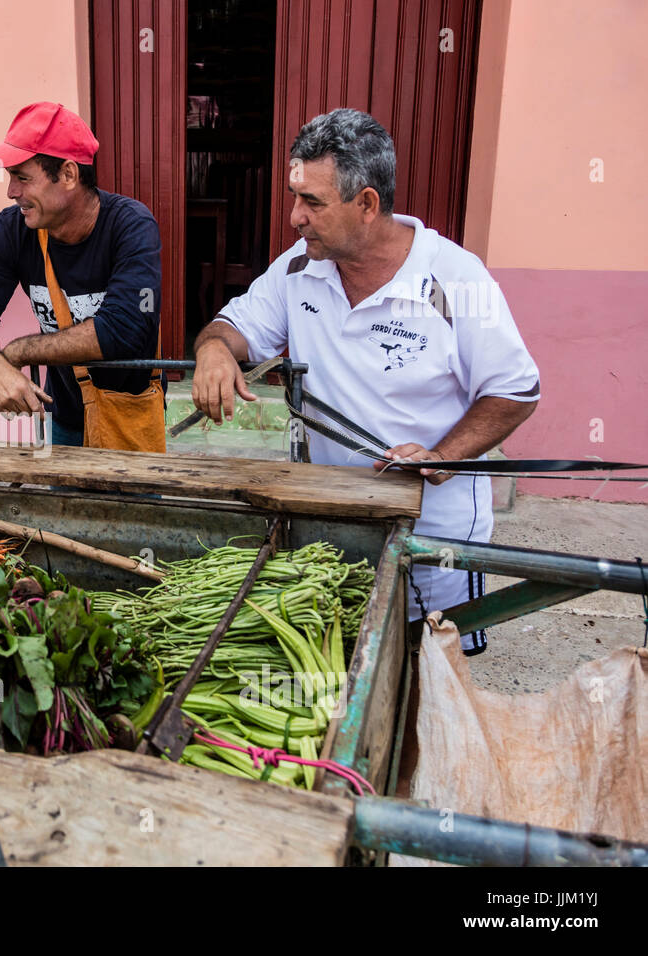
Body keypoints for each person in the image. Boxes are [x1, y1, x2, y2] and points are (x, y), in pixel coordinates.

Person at [192, 108, 541, 655]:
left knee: (430, 681)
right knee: (346, 676)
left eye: (312, 202)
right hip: (332, 527)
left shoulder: (454, 278)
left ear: (368, 204)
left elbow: (515, 390)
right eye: (294, 197)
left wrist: (442, 454)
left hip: (434, 535)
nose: (294, 217)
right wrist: (214, 349)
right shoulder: (298, 270)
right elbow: (235, 326)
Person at [0, 102, 166, 452]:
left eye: (22, 177)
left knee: (134, 507)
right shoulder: (11, 229)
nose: (11, 191)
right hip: (63, 415)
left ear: (67, 175)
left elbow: (127, 330)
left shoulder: (132, 225)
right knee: (62, 505)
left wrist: (18, 351)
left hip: (131, 413)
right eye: (9, 177)